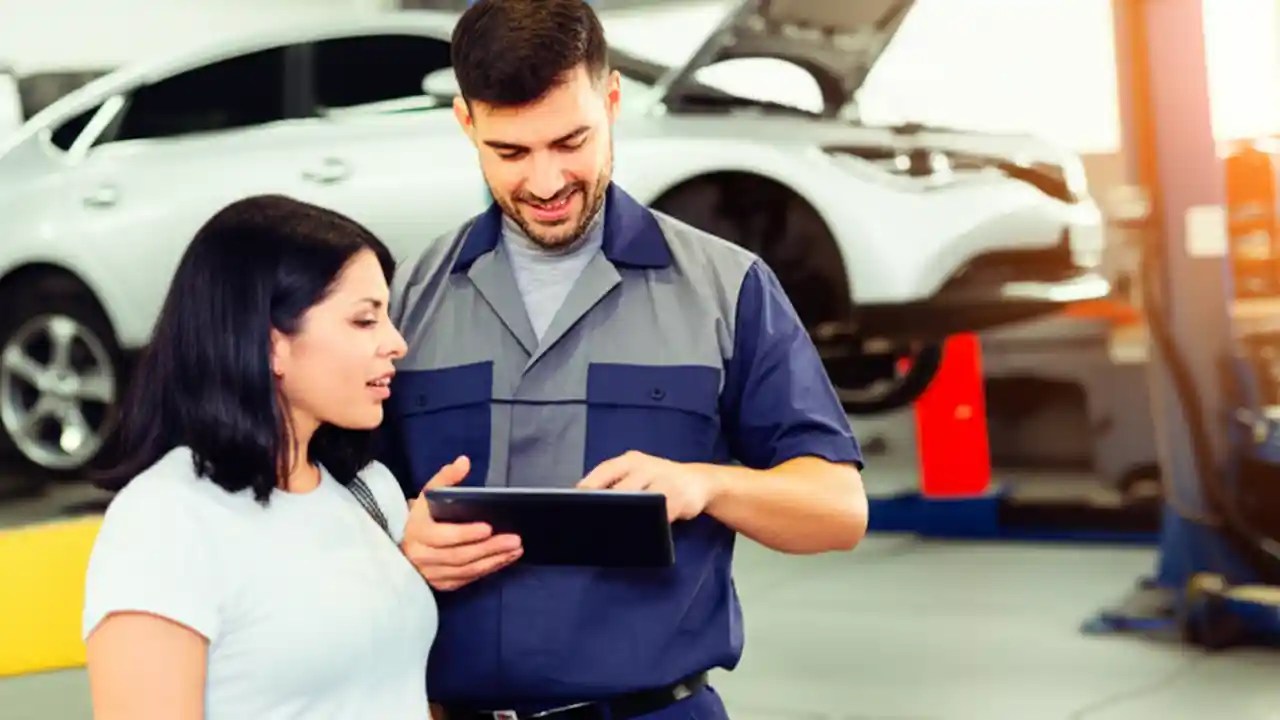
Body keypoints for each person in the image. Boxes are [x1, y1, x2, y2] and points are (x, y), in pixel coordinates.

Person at [380, 0, 870, 716]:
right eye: (510, 153)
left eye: (570, 142)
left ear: (611, 101)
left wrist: (706, 486)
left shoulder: (726, 289)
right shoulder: (407, 300)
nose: (545, 183)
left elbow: (838, 509)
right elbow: (331, 506)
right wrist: (394, 543)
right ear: (466, 124)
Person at [81, 195, 436, 720]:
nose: (397, 343)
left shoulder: (370, 491)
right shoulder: (166, 519)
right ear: (271, 345)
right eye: (365, 321)